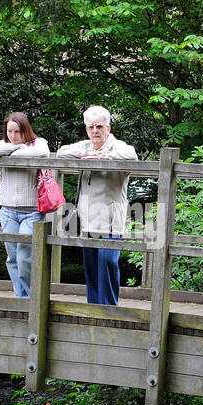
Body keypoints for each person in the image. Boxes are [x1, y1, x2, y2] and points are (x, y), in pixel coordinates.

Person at [55, 105, 137, 305]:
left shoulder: (117, 147)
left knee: (108, 263)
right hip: (87, 219)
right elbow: (61, 153)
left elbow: (132, 156)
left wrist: (101, 158)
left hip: (109, 221)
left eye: (99, 126)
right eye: (90, 127)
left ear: (108, 128)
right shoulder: (85, 146)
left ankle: (109, 311)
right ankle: (93, 310)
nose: (95, 131)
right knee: (91, 269)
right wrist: (85, 156)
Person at [0, 113, 50, 298]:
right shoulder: (1, 145)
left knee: (25, 257)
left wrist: (15, 150)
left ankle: (32, 299)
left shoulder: (38, 143)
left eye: (17, 131)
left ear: (25, 130)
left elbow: (43, 153)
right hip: (7, 210)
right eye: (10, 131)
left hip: (31, 211)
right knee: (12, 257)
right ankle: (20, 298)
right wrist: (12, 148)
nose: (13, 136)